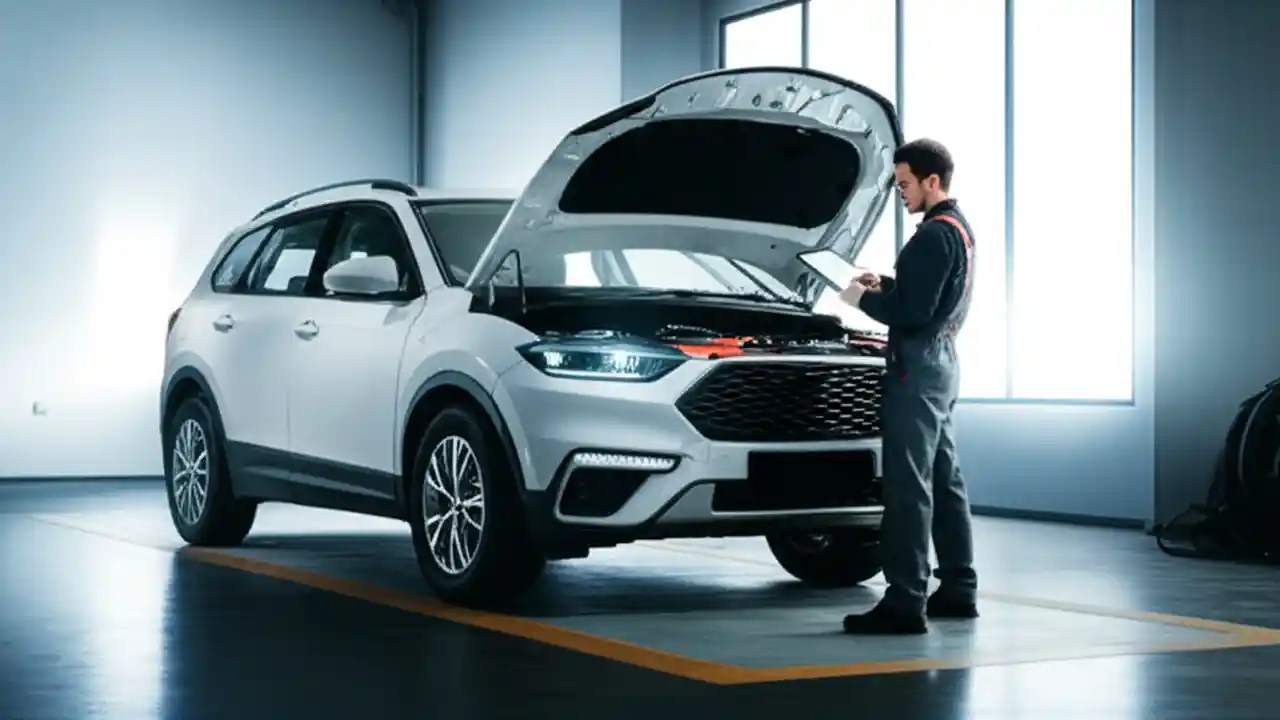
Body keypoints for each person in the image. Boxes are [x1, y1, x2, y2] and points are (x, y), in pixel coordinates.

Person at [836, 138, 980, 635]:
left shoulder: (931, 236)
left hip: (914, 370)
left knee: (907, 486)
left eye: (904, 184)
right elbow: (929, 300)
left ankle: (904, 600)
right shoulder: (960, 231)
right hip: (943, 365)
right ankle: (959, 588)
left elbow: (913, 314)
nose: (901, 193)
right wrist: (887, 285)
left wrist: (860, 299)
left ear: (931, 180)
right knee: (945, 481)